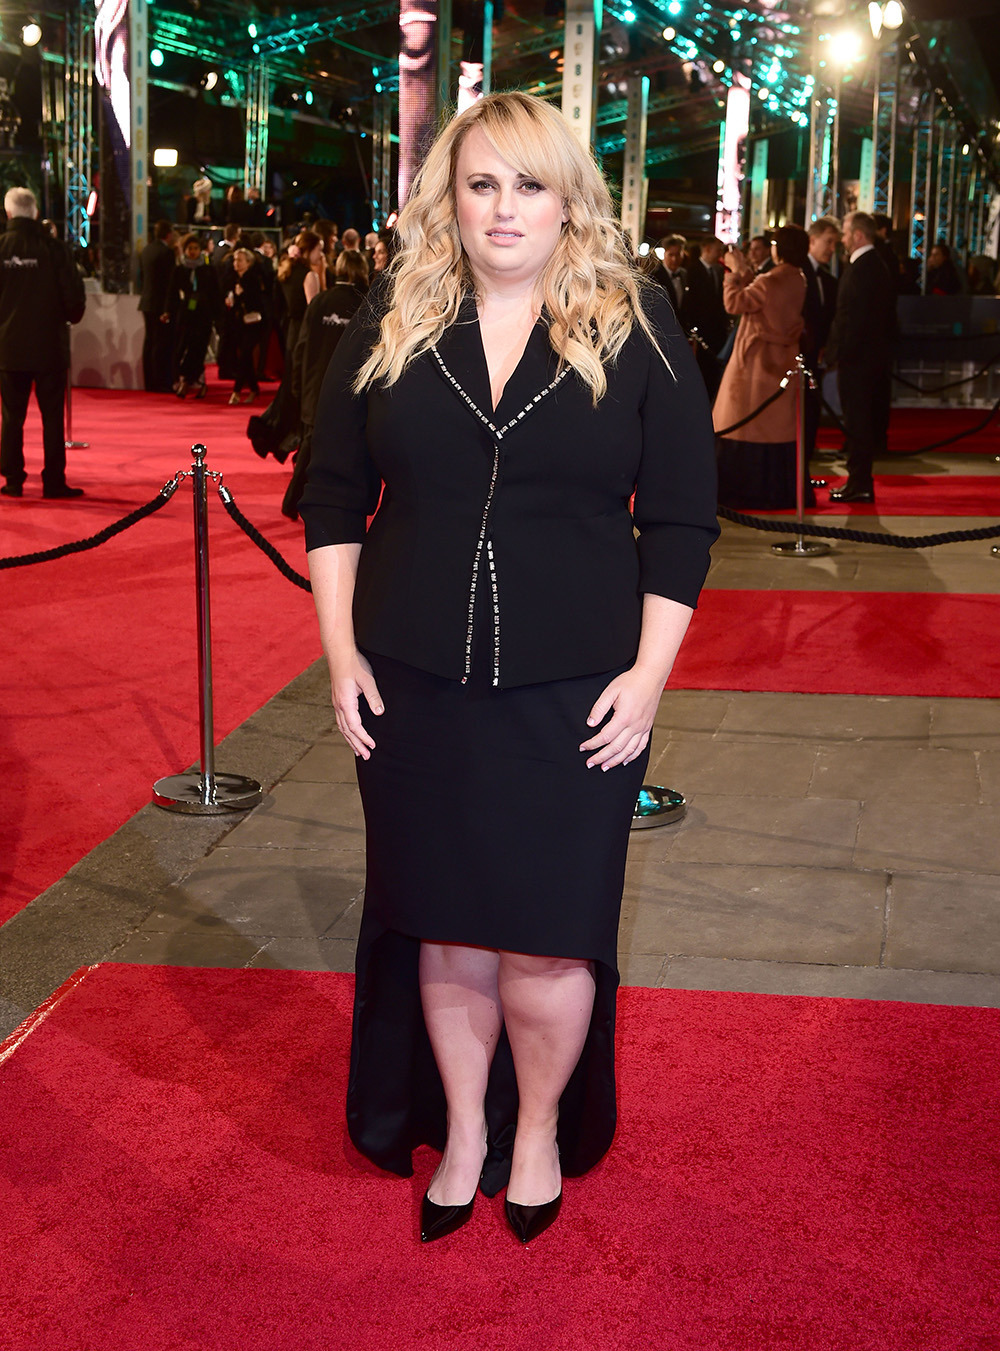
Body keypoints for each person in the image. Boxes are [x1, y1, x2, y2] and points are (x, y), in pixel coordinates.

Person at [297, 91, 718, 1246]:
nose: (503, 207)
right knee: (444, 925)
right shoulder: (394, 311)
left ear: (569, 198)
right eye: (481, 182)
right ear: (449, 193)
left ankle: (536, 1129)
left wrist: (648, 678)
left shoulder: (636, 321)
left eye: (528, 184)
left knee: (547, 930)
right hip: (412, 679)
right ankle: (467, 1132)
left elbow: (681, 518)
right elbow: (331, 491)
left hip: (576, 692)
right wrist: (338, 653)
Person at [713, 225, 809, 510]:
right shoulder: (798, 278)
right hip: (783, 359)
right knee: (776, 426)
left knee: (742, 423)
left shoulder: (769, 281)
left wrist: (731, 274)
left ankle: (740, 492)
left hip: (755, 361)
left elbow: (734, 303)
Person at [0, 187, 86, 499]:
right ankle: (53, 481)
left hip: (9, 347)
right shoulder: (55, 249)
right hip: (50, 346)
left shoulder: (2, 248)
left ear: (8, 213)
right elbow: (74, 298)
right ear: (36, 212)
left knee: (11, 416)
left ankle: (12, 479)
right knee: (52, 417)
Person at [282, 247, 369, 521]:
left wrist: (297, 383)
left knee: (311, 443)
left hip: (314, 384)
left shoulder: (320, 302)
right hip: (351, 388)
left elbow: (301, 346)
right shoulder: (365, 304)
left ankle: (292, 500)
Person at [825, 211, 895, 504]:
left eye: (844, 232)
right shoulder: (871, 264)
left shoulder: (864, 267)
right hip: (867, 358)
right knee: (858, 422)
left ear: (857, 235)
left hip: (859, 361)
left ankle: (860, 483)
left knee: (858, 422)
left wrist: (838, 353)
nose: (841, 238)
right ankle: (858, 481)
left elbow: (853, 318)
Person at [801, 217, 840, 462]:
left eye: (835, 243)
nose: (832, 249)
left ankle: (809, 451)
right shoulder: (796, 273)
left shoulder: (828, 279)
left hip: (817, 354)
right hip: (795, 354)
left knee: (813, 404)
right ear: (812, 240)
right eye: (828, 242)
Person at [168, 234, 220, 398]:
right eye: (190, 249)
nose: (192, 252)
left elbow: (215, 293)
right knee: (182, 348)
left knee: (199, 349)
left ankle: (194, 382)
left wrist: (217, 315)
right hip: (185, 314)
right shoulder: (180, 269)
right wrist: (168, 310)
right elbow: (171, 292)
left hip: (204, 315)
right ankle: (184, 380)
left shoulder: (208, 269)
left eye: (195, 248)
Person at [684, 235, 729, 398]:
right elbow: (690, 302)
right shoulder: (693, 270)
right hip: (701, 329)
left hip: (718, 329)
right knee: (702, 368)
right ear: (707, 249)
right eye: (718, 250)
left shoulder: (719, 270)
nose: (720, 254)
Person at [138, 219, 177, 392]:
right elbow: (169, 283)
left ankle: (149, 381)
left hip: (146, 302)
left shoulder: (146, 250)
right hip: (160, 304)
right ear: (168, 234)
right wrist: (167, 307)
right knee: (160, 343)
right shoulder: (167, 253)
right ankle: (160, 381)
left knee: (149, 342)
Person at [226, 248, 266, 404]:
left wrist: (242, 294)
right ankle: (254, 389)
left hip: (254, 323)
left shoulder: (253, 279)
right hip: (240, 324)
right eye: (235, 260)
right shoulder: (234, 278)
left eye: (240, 260)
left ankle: (236, 391)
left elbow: (257, 302)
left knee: (245, 355)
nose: (236, 263)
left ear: (248, 263)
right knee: (245, 356)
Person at [649, 234, 690, 325]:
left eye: (678, 254)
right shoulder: (654, 276)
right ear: (664, 254)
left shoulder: (684, 274)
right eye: (670, 255)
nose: (674, 259)